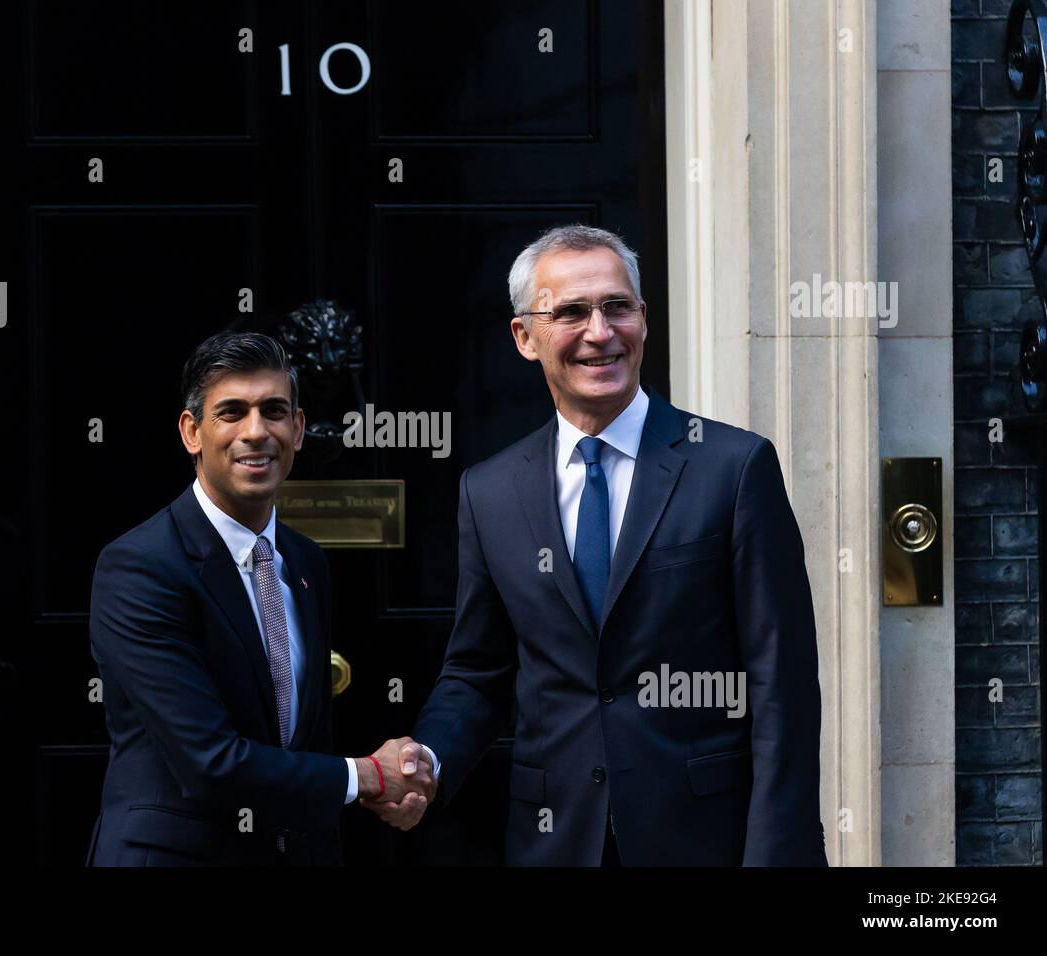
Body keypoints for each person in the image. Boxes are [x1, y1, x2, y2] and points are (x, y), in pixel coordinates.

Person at [365, 225, 828, 866]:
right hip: (554, 843)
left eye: (617, 307)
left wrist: (778, 855)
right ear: (525, 337)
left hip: (705, 841)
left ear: (643, 318)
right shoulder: (490, 491)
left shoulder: (734, 466)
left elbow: (783, 683)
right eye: (571, 312)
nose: (599, 331)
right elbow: (479, 672)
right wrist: (429, 759)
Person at [86, 331, 433, 866]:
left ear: (297, 428)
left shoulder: (304, 559)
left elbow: (304, 740)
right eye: (232, 412)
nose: (256, 432)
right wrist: (365, 776)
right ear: (191, 432)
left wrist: (393, 788)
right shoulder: (139, 567)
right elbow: (208, 761)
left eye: (274, 411)